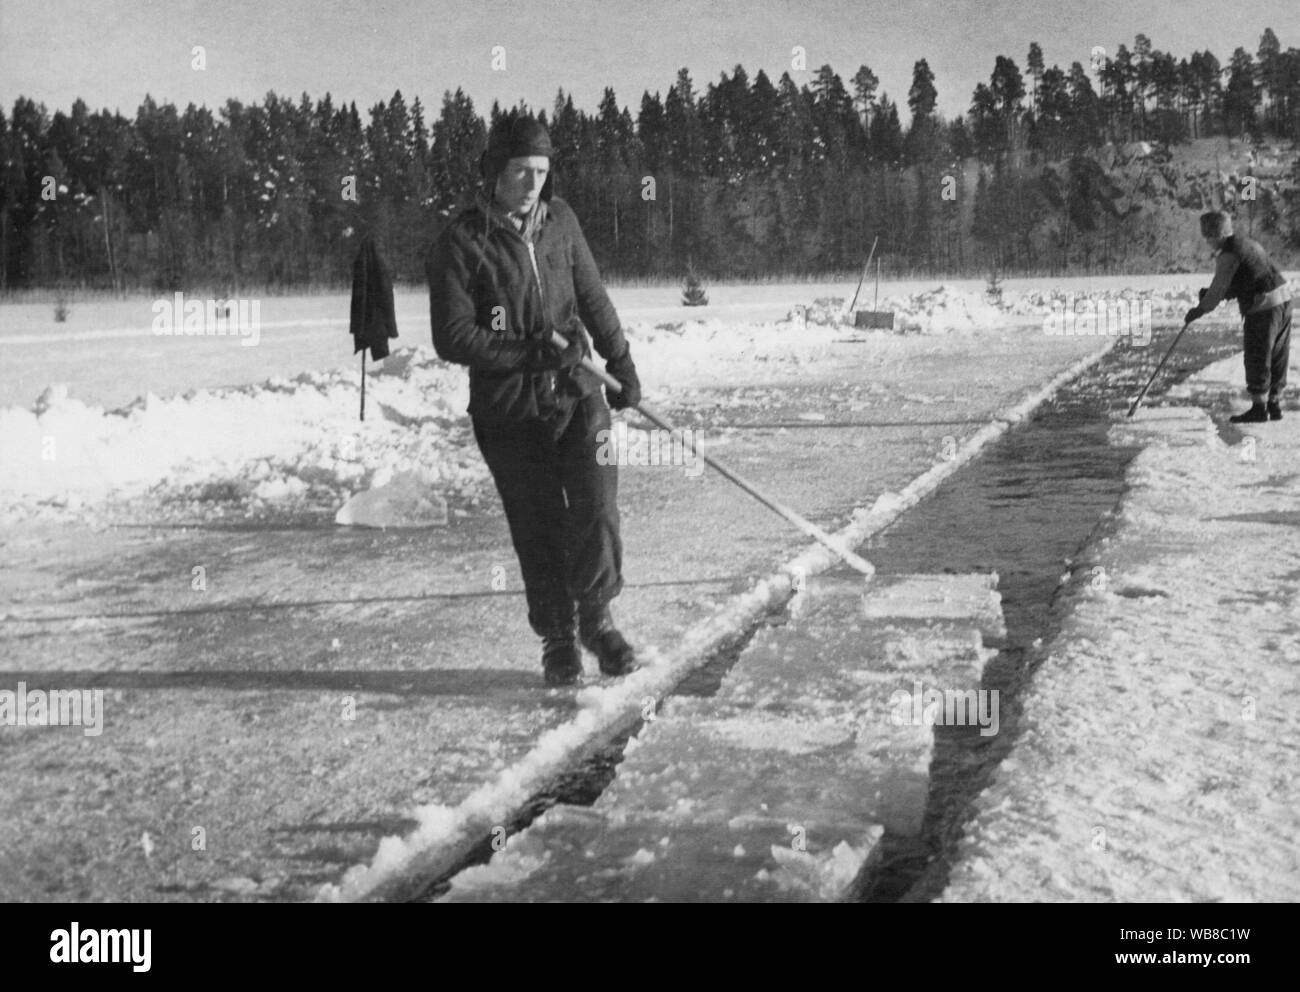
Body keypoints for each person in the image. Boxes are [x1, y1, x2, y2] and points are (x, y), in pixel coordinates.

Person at [426, 113, 642, 686]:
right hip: (510, 412)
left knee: (596, 508)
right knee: (538, 524)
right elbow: (454, 336)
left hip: (578, 391)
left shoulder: (561, 221)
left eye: (541, 172)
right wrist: (528, 354)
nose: (531, 184)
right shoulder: (462, 241)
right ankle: (558, 638)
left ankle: (597, 620)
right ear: (494, 172)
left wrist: (621, 364)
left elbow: (592, 297)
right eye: (520, 171)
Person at [1184, 211, 1292, 423]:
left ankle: (1259, 409)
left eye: (1207, 236)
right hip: (1284, 299)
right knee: (1277, 354)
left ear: (1215, 234)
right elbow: (1249, 276)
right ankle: (1274, 404)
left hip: (1263, 305)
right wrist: (1224, 292)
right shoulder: (1248, 243)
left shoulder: (1228, 254)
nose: (1207, 241)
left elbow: (1218, 288)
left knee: (1257, 354)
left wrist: (1200, 309)